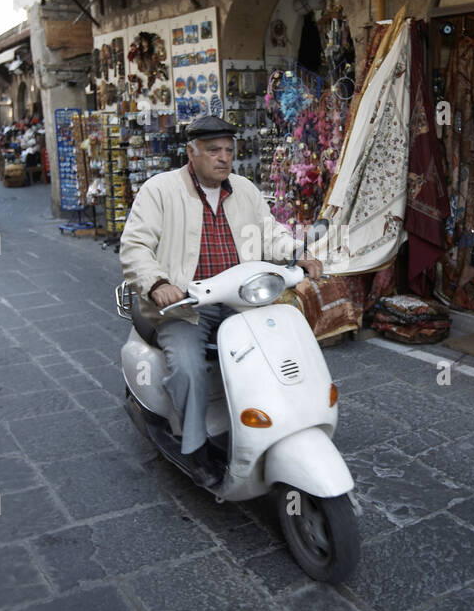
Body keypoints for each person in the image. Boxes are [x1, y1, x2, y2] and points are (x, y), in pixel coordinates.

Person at [120, 115, 323, 487]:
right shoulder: (159, 190)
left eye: (229, 150)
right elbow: (135, 246)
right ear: (191, 153)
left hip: (239, 298)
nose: (223, 158)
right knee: (189, 367)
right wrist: (158, 282)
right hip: (184, 307)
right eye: (214, 150)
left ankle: (281, 418)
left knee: (279, 346)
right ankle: (195, 449)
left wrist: (297, 252)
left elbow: (269, 234)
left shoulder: (244, 189)